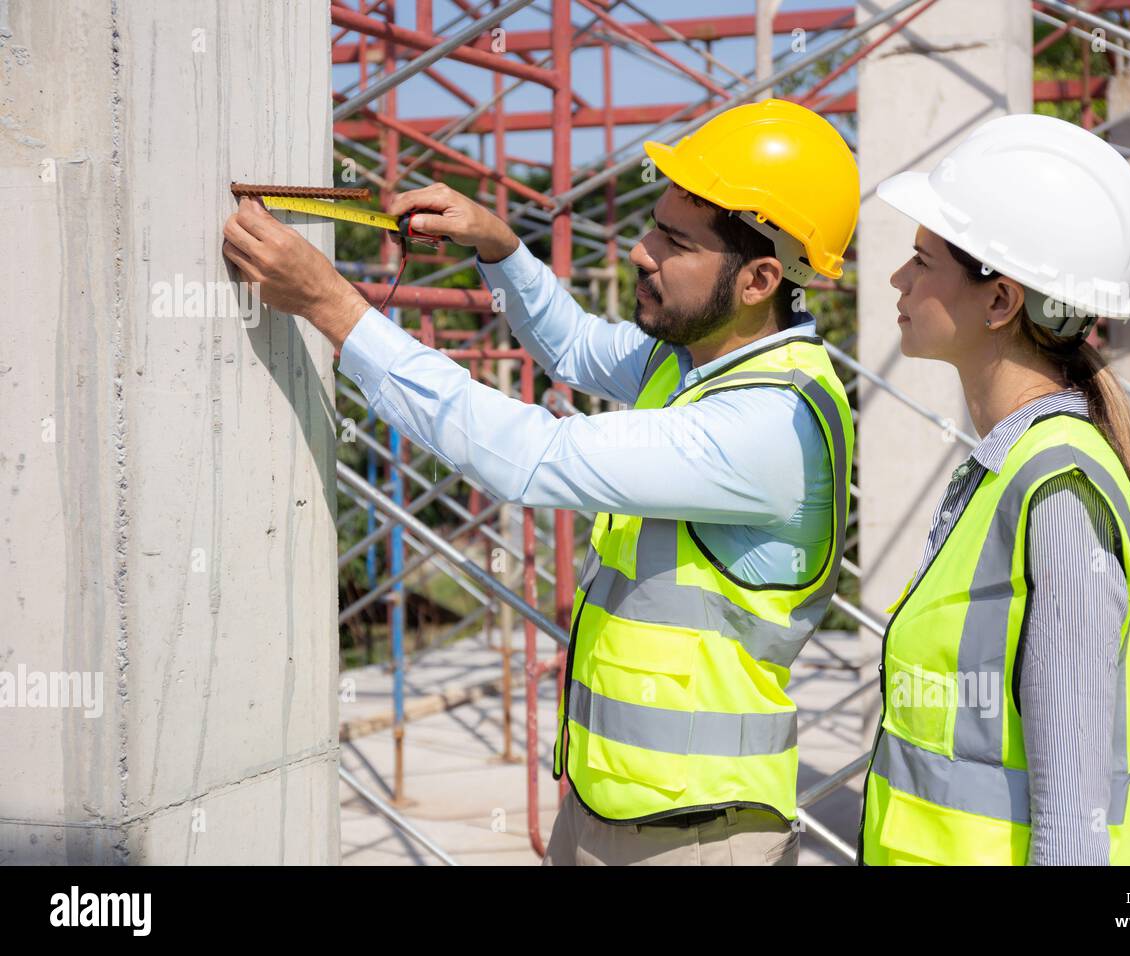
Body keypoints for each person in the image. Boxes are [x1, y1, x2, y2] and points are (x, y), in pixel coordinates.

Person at [221, 98, 859, 866]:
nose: (640, 252)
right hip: (606, 808)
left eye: (674, 242)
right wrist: (500, 247)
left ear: (758, 278)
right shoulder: (697, 358)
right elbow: (576, 346)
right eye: (653, 224)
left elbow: (526, 455)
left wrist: (331, 305)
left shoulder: (768, 427)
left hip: (700, 836)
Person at [857, 113, 1130, 866]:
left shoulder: (1058, 494)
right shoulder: (1012, 467)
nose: (899, 278)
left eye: (923, 261)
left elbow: (1074, 828)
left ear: (1000, 301)